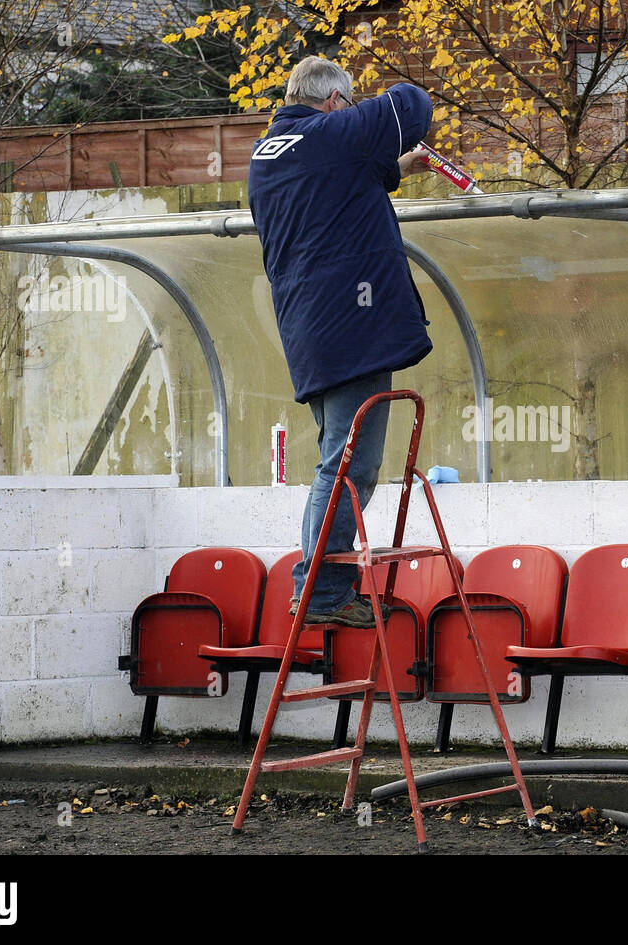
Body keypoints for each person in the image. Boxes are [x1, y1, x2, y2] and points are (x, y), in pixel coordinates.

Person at [249, 56, 434, 627]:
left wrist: (391, 167)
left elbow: (337, 186)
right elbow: (413, 102)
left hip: (309, 328)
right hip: (353, 324)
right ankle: (322, 594)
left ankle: (318, 588)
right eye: (348, 106)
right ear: (333, 102)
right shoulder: (331, 132)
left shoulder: (268, 154)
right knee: (351, 468)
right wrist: (368, 118)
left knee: (335, 460)